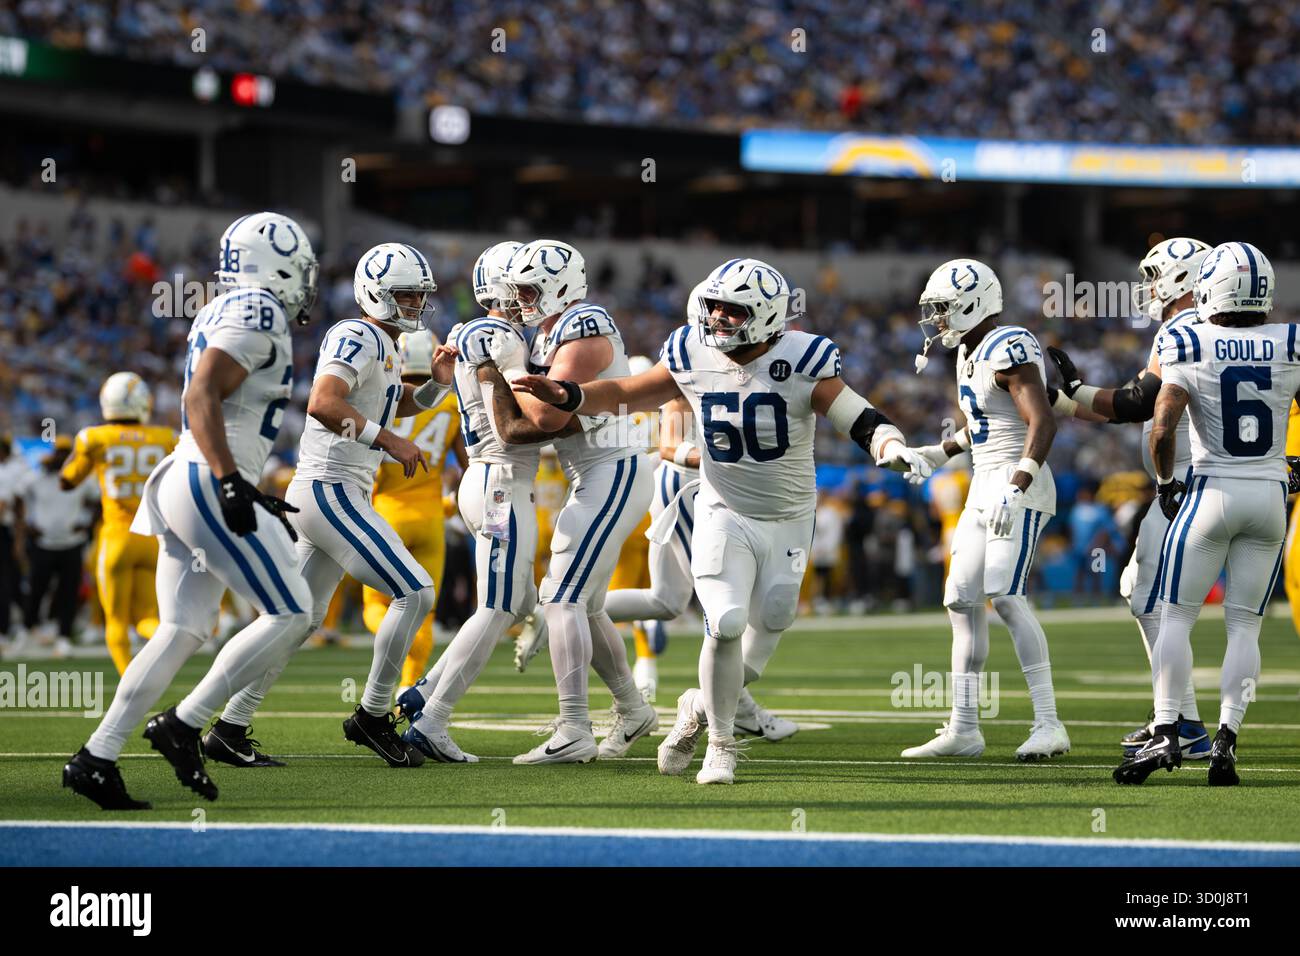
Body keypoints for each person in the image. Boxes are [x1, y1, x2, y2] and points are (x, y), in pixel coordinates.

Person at [513, 257, 930, 783]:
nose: (716, 319)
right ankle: (722, 746)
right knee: (726, 620)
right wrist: (572, 394)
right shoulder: (690, 351)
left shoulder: (802, 358)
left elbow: (858, 415)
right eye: (713, 307)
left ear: (765, 315)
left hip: (789, 517)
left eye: (732, 311)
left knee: (773, 620)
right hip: (722, 508)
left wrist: (889, 444)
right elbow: (625, 392)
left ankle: (697, 705)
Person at [63, 211, 317, 809]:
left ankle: (96, 757)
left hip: (181, 477)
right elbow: (201, 391)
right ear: (274, 263)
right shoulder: (259, 306)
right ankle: (184, 723)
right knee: (293, 612)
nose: (304, 281)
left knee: (182, 629)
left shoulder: (219, 307)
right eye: (298, 269)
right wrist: (231, 481)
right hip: (207, 476)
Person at [205, 241, 446, 770]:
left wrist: (434, 388)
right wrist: (388, 441)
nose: (414, 305)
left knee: (297, 619)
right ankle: (373, 715)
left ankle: (227, 726)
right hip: (329, 489)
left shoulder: (382, 345)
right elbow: (322, 404)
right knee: (415, 592)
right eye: (405, 295)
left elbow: (389, 402)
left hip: (335, 491)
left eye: (417, 295)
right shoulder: (357, 333)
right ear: (375, 294)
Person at [1115, 242, 1295, 787]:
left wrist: (1168, 483)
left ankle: (1168, 731)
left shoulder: (1187, 339)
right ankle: (1226, 741)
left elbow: (1162, 425)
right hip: (1270, 500)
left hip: (1211, 492)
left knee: (1176, 616)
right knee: (1246, 627)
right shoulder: (1289, 341)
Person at [396, 240, 578, 762]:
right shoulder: (499, 337)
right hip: (501, 480)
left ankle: (424, 691)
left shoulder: (476, 333)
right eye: (521, 283)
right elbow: (515, 424)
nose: (529, 294)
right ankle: (432, 718)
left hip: (483, 480)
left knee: (520, 602)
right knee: (498, 607)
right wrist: (576, 418)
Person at [495, 239, 659, 765]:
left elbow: (546, 419)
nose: (520, 300)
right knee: (583, 606)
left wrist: (506, 367)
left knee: (560, 598)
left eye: (529, 289)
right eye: (516, 289)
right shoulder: (551, 330)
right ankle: (633, 711)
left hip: (611, 469)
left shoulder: (583, 324)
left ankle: (573, 727)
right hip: (595, 473)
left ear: (560, 286)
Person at [1047, 238, 1213, 758]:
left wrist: (1069, 394)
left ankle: (1182, 724)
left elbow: (1138, 405)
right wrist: (1070, 399)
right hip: (1215, 481)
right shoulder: (1213, 330)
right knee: (1149, 593)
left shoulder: (1181, 331)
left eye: (1154, 275)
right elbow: (1134, 399)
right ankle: (1180, 717)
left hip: (1187, 483)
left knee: (1148, 595)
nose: (1146, 286)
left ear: (1183, 278)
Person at [903, 258, 1069, 761]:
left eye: (944, 309)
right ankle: (965, 728)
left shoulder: (1008, 345)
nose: (937, 319)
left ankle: (1049, 723)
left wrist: (1017, 486)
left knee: (1005, 593)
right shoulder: (970, 352)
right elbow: (982, 426)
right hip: (983, 484)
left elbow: (1042, 423)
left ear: (974, 304)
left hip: (1020, 483)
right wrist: (938, 452)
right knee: (960, 600)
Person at [360, 329, 466, 698]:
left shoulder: (385, 398)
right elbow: (467, 466)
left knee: (376, 604)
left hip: (386, 513)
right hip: (432, 517)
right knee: (424, 609)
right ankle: (409, 685)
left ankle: (394, 645)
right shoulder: (449, 405)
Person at [59, 373, 177, 673]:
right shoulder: (165, 437)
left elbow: (67, 481)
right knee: (149, 618)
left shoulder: (94, 438)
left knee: (116, 620)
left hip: (115, 538)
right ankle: (178, 641)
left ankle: (129, 681)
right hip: (153, 536)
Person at [17, 436, 97, 649]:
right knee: (36, 588)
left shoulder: (82, 478)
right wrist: (27, 524)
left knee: (68, 592)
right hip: (43, 543)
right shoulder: (35, 478)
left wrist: (86, 524)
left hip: (72, 542)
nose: (61, 457)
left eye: (65, 453)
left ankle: (63, 636)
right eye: (58, 453)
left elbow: (98, 501)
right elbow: (19, 499)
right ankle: (27, 629)